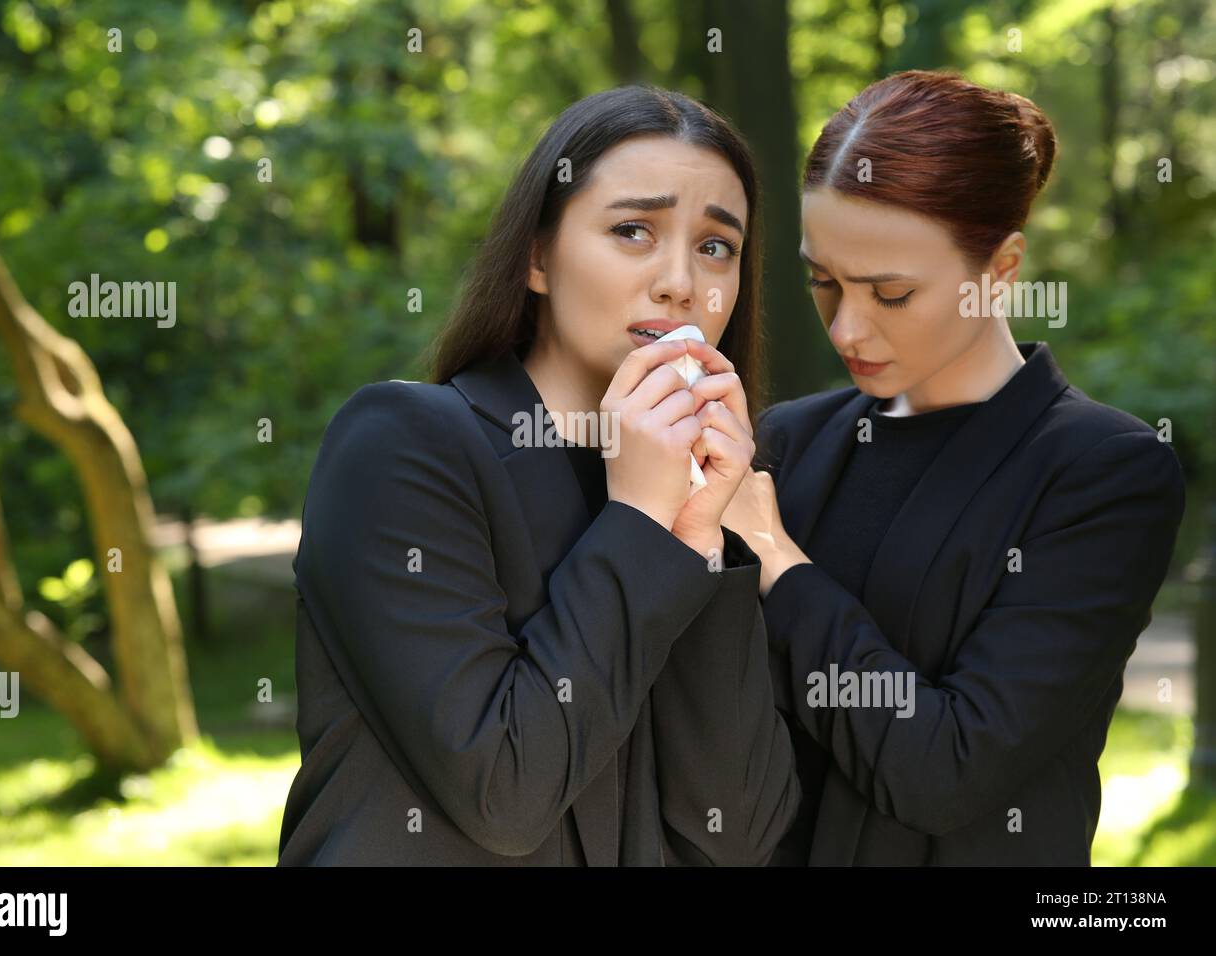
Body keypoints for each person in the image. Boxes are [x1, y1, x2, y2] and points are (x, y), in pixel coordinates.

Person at [277, 85, 800, 866]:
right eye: (633, 230)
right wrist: (639, 523)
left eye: (716, 246)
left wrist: (699, 543)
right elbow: (507, 795)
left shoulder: (697, 500)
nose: (680, 282)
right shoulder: (402, 446)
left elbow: (738, 836)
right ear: (537, 257)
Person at [724, 70, 1186, 865]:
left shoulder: (1104, 473)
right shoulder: (786, 442)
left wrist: (778, 564)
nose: (846, 328)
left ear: (1001, 269)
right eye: (822, 281)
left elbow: (944, 772)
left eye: (893, 292)